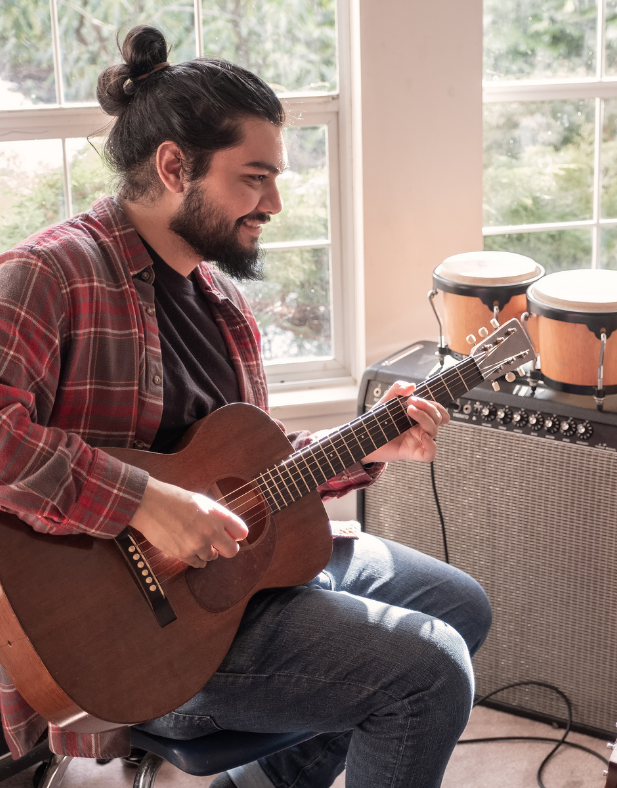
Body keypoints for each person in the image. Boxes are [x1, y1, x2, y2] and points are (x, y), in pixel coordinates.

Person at [0, 25, 491, 788]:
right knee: (429, 671)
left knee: (460, 606)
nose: (276, 203)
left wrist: (366, 446)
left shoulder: (223, 303)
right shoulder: (50, 275)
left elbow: (246, 474)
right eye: (254, 177)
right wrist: (143, 503)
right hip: (133, 642)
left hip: (233, 593)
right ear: (174, 166)